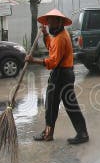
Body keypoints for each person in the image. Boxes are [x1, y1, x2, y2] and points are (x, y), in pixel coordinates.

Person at [28, 9, 89, 144]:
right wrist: (45, 35)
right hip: (64, 73)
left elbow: (53, 61)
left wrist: (34, 60)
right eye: (48, 21)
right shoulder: (58, 35)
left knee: (51, 105)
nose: (48, 24)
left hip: (61, 74)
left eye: (51, 21)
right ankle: (82, 133)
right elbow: (51, 46)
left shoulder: (61, 38)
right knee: (68, 104)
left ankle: (49, 134)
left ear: (59, 22)